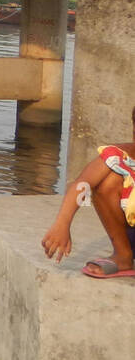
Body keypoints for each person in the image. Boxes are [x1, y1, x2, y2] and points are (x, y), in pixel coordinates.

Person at [42, 104, 135, 278]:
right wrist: (63, 224)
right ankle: (123, 255)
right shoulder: (120, 156)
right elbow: (82, 184)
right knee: (107, 182)